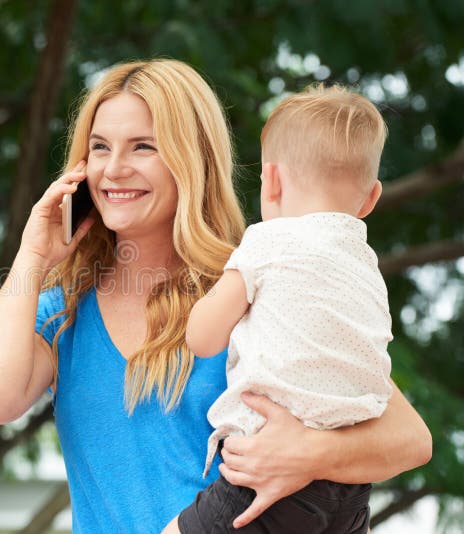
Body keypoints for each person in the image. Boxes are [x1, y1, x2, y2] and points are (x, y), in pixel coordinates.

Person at [0, 59, 432, 533]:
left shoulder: (255, 279)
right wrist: (33, 255)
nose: (115, 169)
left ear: (191, 158)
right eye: (100, 148)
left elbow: (410, 439)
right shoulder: (63, 309)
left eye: (143, 147)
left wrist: (311, 452)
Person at [167, 85, 397, 534]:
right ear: (371, 198)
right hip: (351, 491)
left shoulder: (267, 242)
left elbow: (202, 338)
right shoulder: (365, 264)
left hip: (266, 470)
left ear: (270, 180)